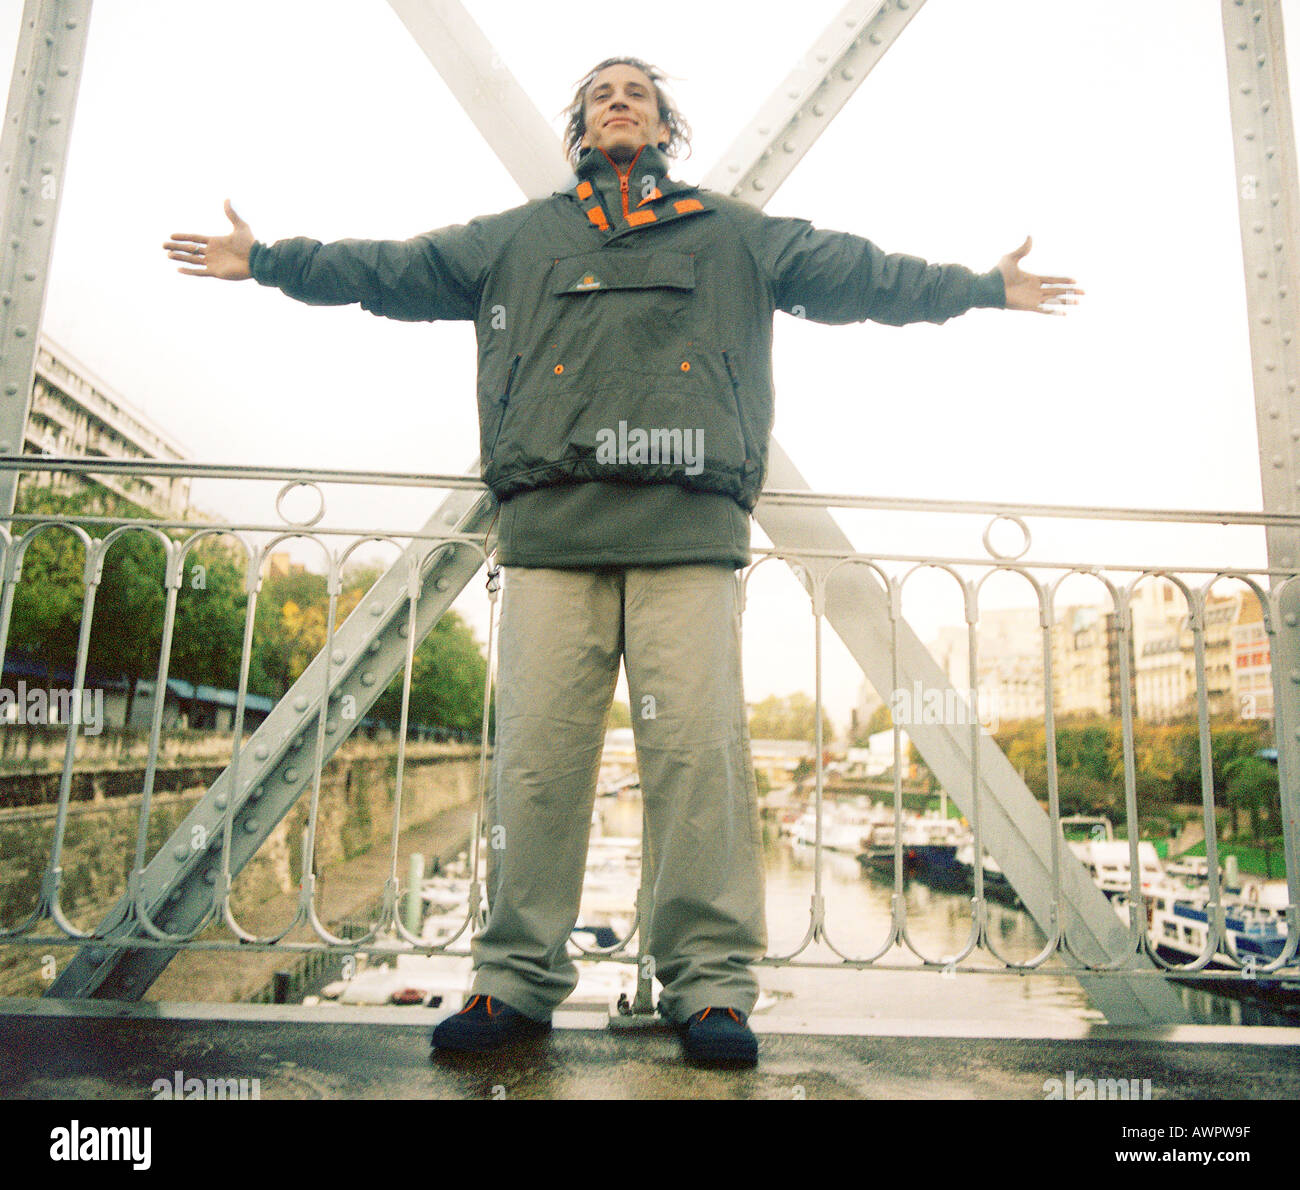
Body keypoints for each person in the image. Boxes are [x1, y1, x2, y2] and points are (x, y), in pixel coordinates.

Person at [165, 57, 1080, 1066]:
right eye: (601, 91)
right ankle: (513, 980)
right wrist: (270, 260)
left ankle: (711, 987)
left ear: (662, 125)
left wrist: (982, 287)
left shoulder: (728, 233)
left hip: (684, 534)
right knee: (535, 767)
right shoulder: (519, 237)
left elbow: (858, 274)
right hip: (553, 535)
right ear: (578, 126)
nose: (618, 100)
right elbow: (392, 269)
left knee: (697, 762)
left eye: (636, 91)